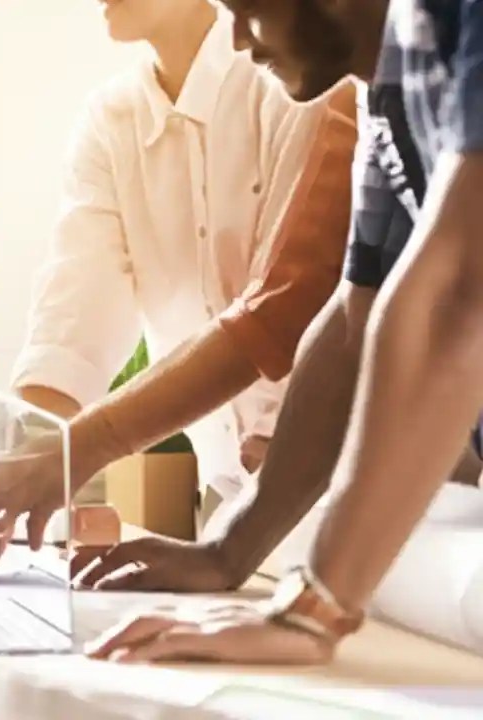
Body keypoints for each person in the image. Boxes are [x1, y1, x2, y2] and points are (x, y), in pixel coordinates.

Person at [31, 0, 483, 665]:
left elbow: (454, 296)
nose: (238, 40)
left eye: (248, 11)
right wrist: (230, 550)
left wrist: (313, 611)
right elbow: (352, 323)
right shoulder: (388, 83)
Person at [0, 0, 356, 585]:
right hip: (242, 517)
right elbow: (72, 334)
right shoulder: (111, 120)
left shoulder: (302, 79)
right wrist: (0, 515)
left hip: (354, 499)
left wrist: (82, 448)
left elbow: (281, 311)